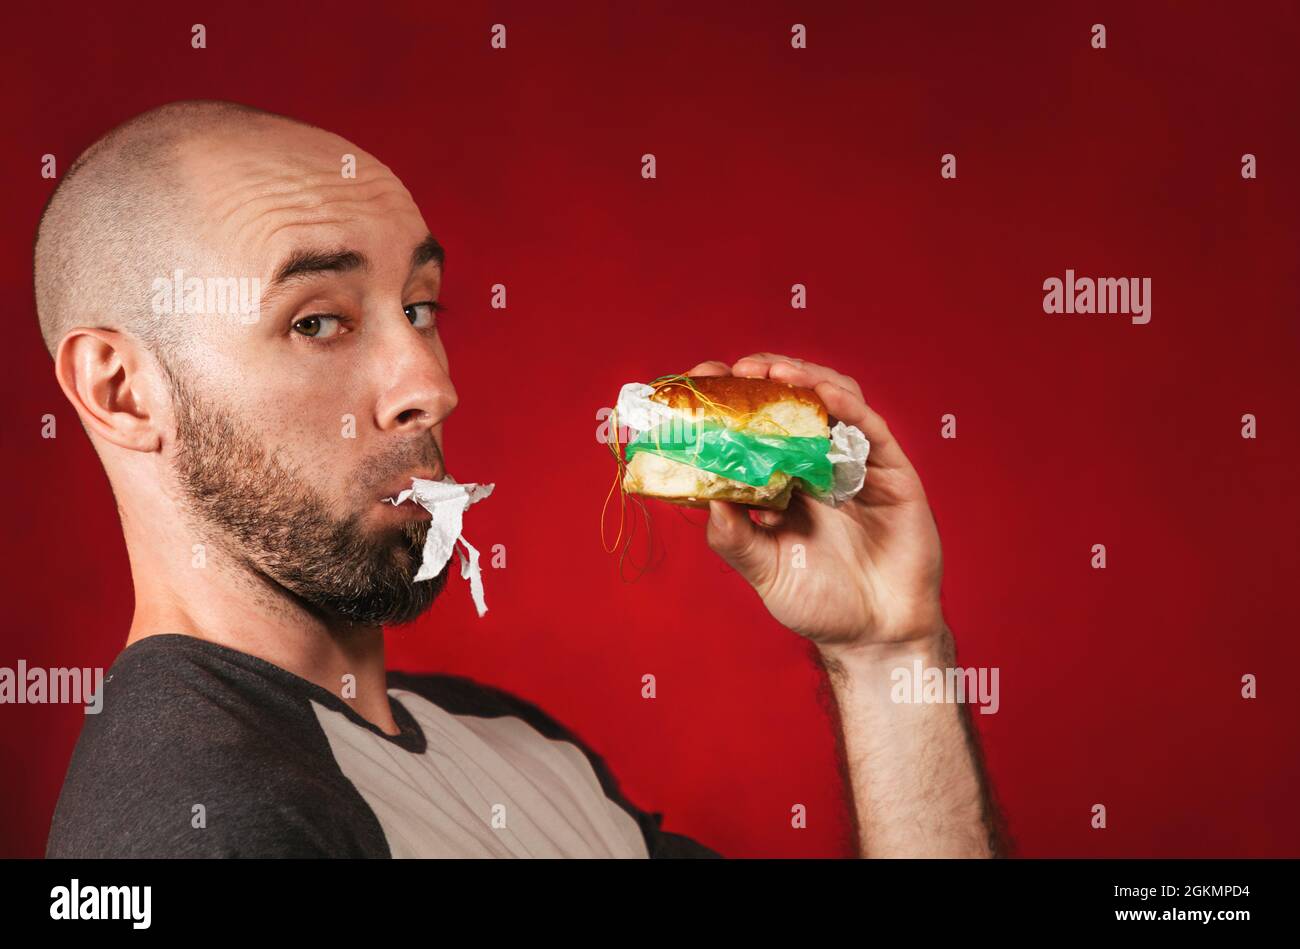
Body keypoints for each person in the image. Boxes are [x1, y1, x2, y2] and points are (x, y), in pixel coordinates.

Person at [37, 100, 1005, 858]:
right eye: (316, 320)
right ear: (123, 392)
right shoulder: (205, 821)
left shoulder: (506, 743)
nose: (432, 386)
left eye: (419, 307)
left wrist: (888, 654)